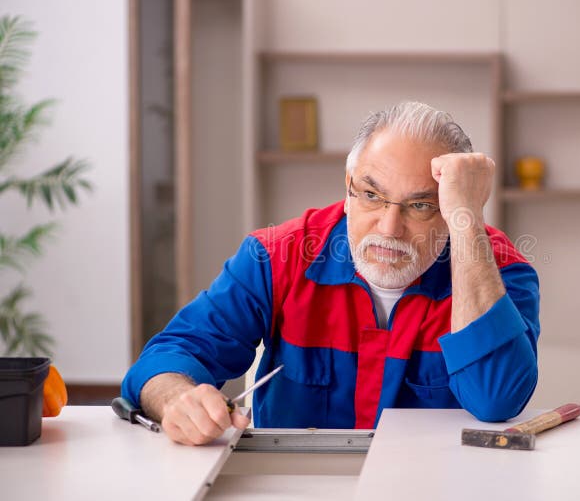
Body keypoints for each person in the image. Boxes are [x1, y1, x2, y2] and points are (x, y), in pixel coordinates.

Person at [122, 101, 540, 446]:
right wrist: (177, 398)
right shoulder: (276, 256)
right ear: (348, 189)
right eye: (372, 196)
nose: (389, 228)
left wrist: (466, 218)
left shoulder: (499, 271)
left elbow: (497, 398)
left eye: (420, 205)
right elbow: (167, 357)